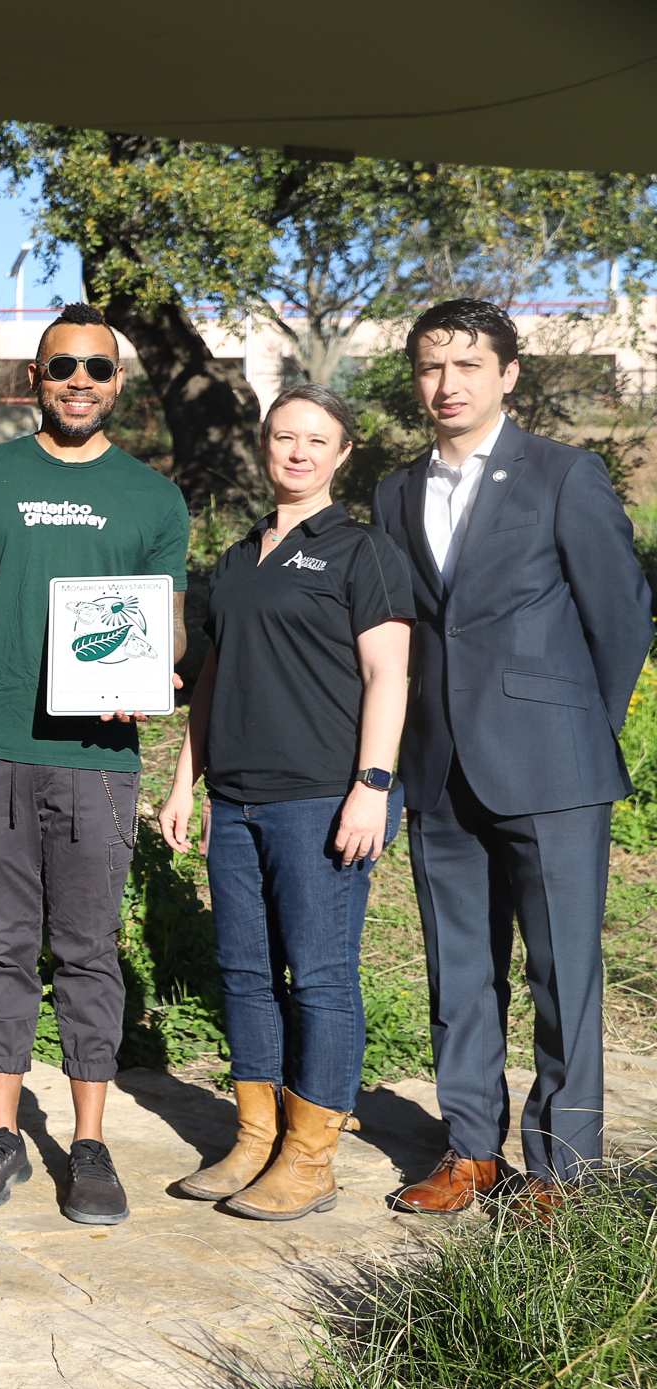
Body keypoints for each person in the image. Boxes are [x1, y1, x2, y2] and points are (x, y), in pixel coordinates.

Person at [370, 299, 652, 1212]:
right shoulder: (393, 491)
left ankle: (564, 1168)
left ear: (508, 374)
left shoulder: (565, 474)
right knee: (458, 970)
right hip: (437, 763)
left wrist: (580, 725)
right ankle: (469, 1152)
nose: (446, 384)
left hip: (554, 766)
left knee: (563, 973)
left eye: (467, 365)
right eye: (430, 366)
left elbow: (621, 618)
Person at [0, 303, 189, 1226]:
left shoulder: (154, 497)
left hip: (96, 755)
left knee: (87, 949)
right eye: (61, 366)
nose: (78, 381)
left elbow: (169, 623)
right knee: (1, 945)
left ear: (118, 381)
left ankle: (89, 1143)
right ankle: (1, 1132)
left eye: (96, 367)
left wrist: (156, 666)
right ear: (33, 379)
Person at [158, 384, 413, 1220]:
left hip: (321, 799)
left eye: (316, 439)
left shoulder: (362, 551)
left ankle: (310, 1157)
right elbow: (213, 676)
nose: (298, 452)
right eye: (283, 437)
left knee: (322, 976)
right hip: (235, 799)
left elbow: (388, 674)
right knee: (244, 973)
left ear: (343, 454)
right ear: (264, 444)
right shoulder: (237, 558)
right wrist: (185, 779)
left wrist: (372, 785)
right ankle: (255, 1137)